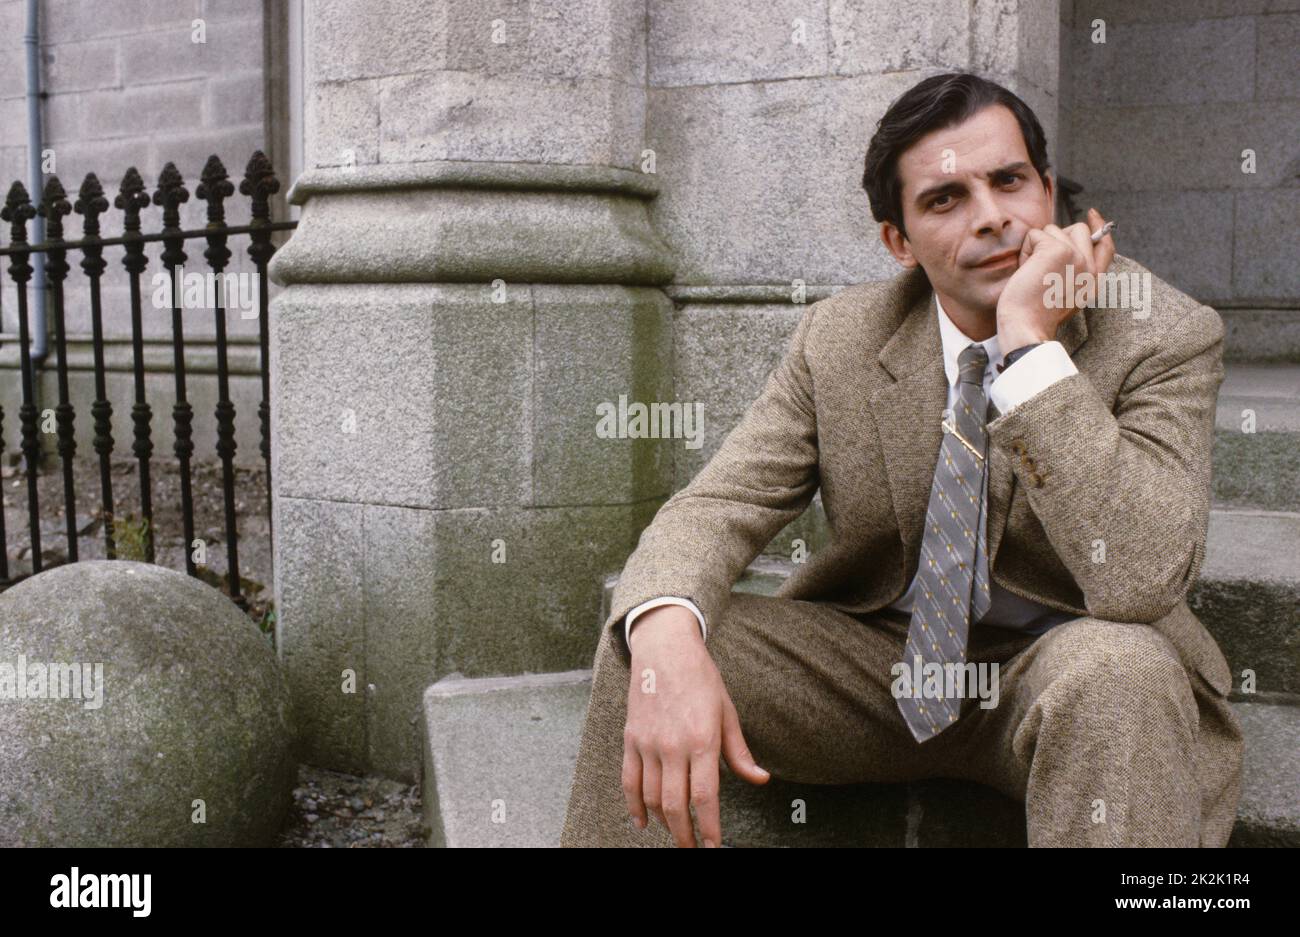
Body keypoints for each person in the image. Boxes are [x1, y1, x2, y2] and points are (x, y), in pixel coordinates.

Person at [559, 72, 1241, 848]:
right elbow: (718, 506)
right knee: (653, 637)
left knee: (1122, 671)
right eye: (945, 199)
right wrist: (664, 633)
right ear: (898, 241)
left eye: (1010, 181)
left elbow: (1143, 574)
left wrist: (1030, 347)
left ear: (1048, 193)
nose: (991, 219)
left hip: (1062, 669)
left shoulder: (1162, 332)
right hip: (880, 668)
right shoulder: (839, 338)